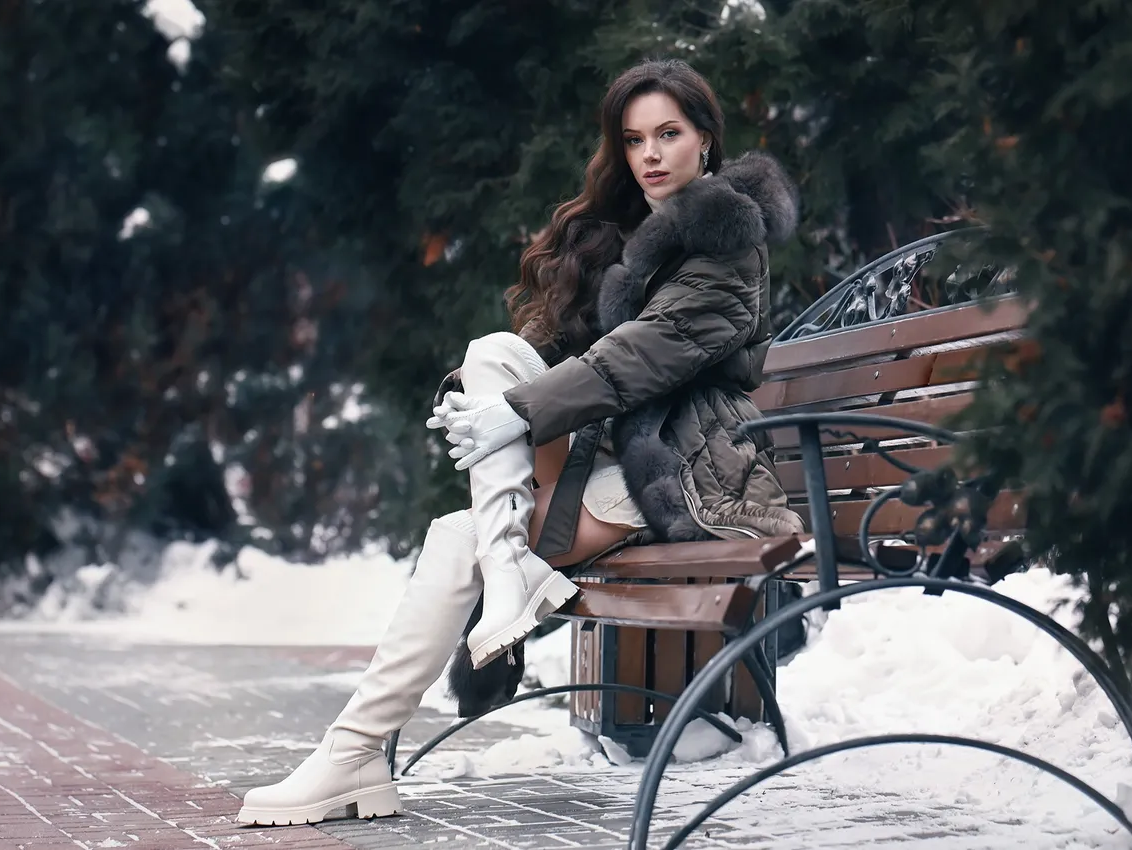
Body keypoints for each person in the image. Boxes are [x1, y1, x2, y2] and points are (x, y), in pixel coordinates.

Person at [236, 57, 804, 827]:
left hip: (685, 473)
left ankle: (356, 751)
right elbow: (553, 349)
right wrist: (475, 406)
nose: (651, 155)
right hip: (611, 466)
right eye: (635, 139)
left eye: (669, 134)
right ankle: (492, 594)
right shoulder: (627, 237)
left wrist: (515, 417)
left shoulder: (727, 245)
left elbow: (646, 351)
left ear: (706, 139)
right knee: (492, 352)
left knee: (460, 533)